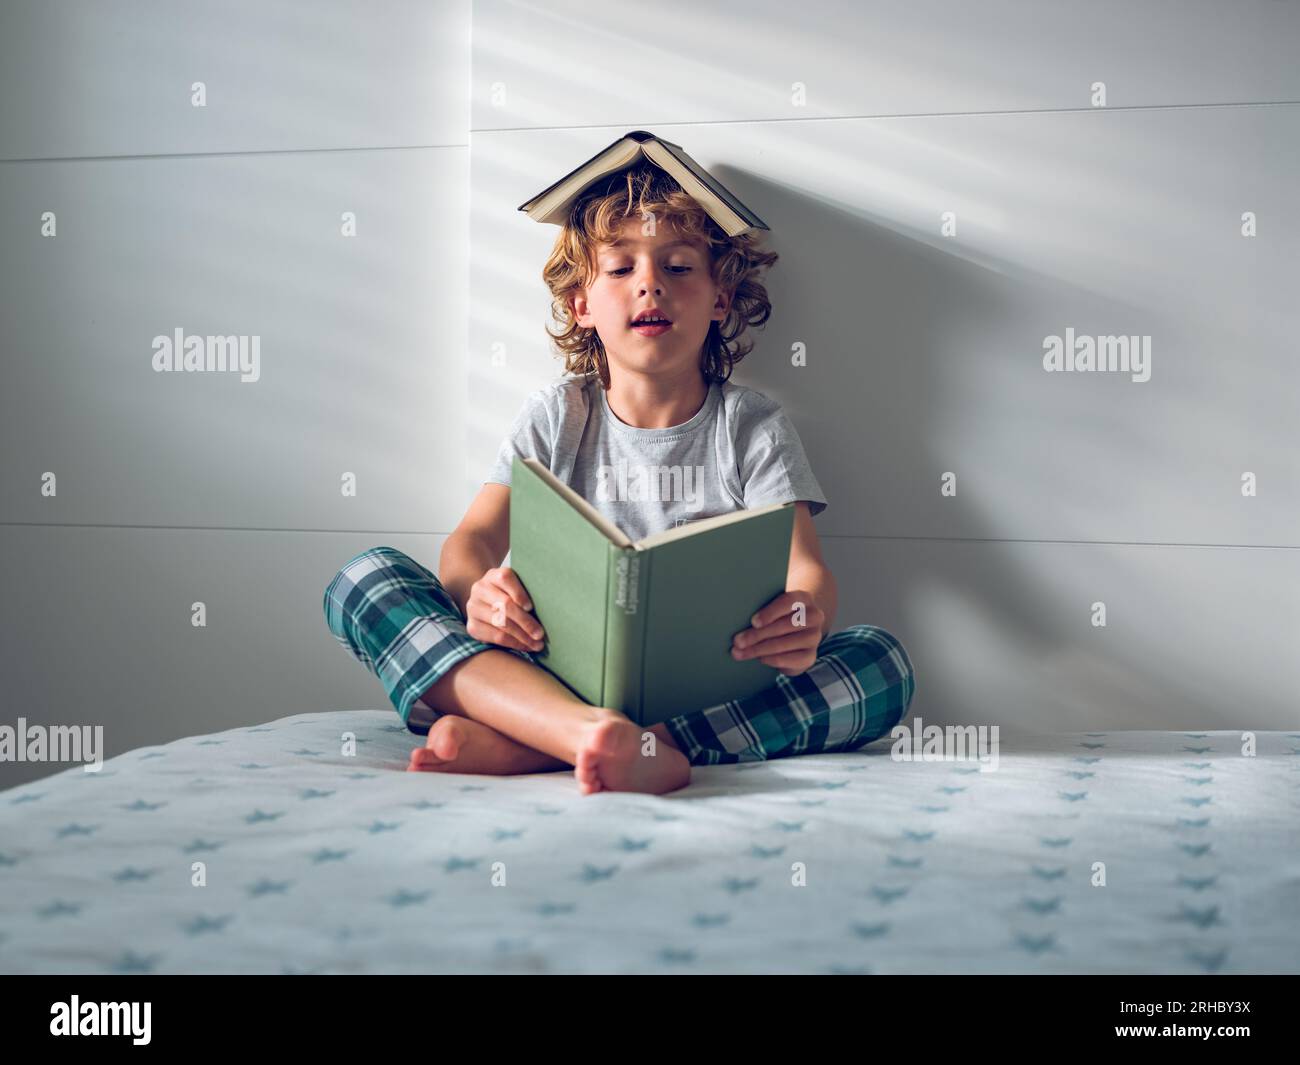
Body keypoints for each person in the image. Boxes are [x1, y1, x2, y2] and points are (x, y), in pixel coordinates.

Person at [323, 162, 915, 796]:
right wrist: (479, 595)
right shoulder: (556, 415)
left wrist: (806, 615)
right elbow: (469, 545)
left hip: (699, 690)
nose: (650, 286)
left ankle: (536, 744)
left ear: (719, 300)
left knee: (880, 662)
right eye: (621, 267)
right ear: (582, 304)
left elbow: (806, 569)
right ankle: (581, 735)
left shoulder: (753, 426)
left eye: (679, 267)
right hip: (543, 667)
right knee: (367, 579)